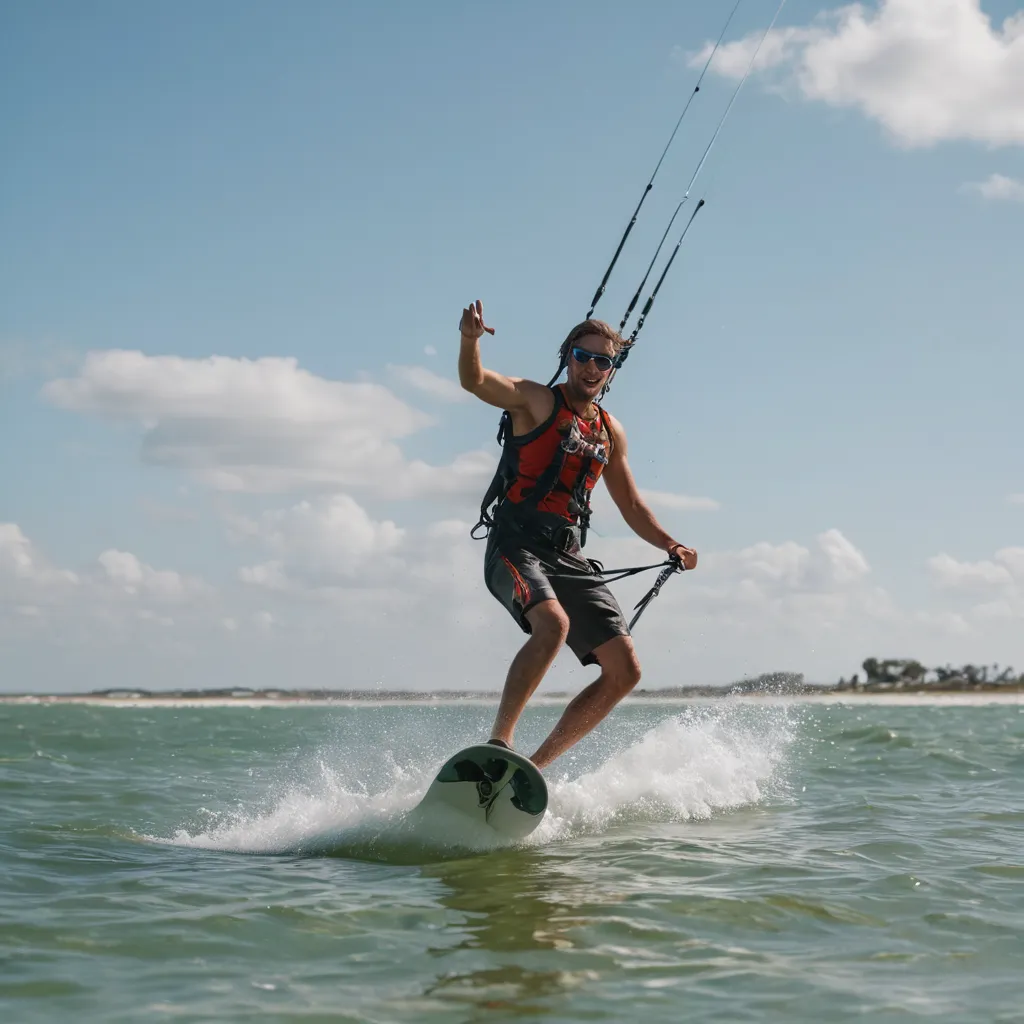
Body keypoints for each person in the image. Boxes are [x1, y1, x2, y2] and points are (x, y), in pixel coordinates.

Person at [458, 299, 698, 769]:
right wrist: (470, 342)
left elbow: (631, 505)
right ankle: (499, 744)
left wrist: (671, 544)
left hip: (567, 553)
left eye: (602, 361)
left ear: (612, 369)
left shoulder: (610, 431)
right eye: (582, 356)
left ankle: (532, 770)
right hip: (515, 544)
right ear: (567, 357)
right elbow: (476, 381)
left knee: (624, 670)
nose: (591, 367)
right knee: (553, 624)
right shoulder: (535, 401)